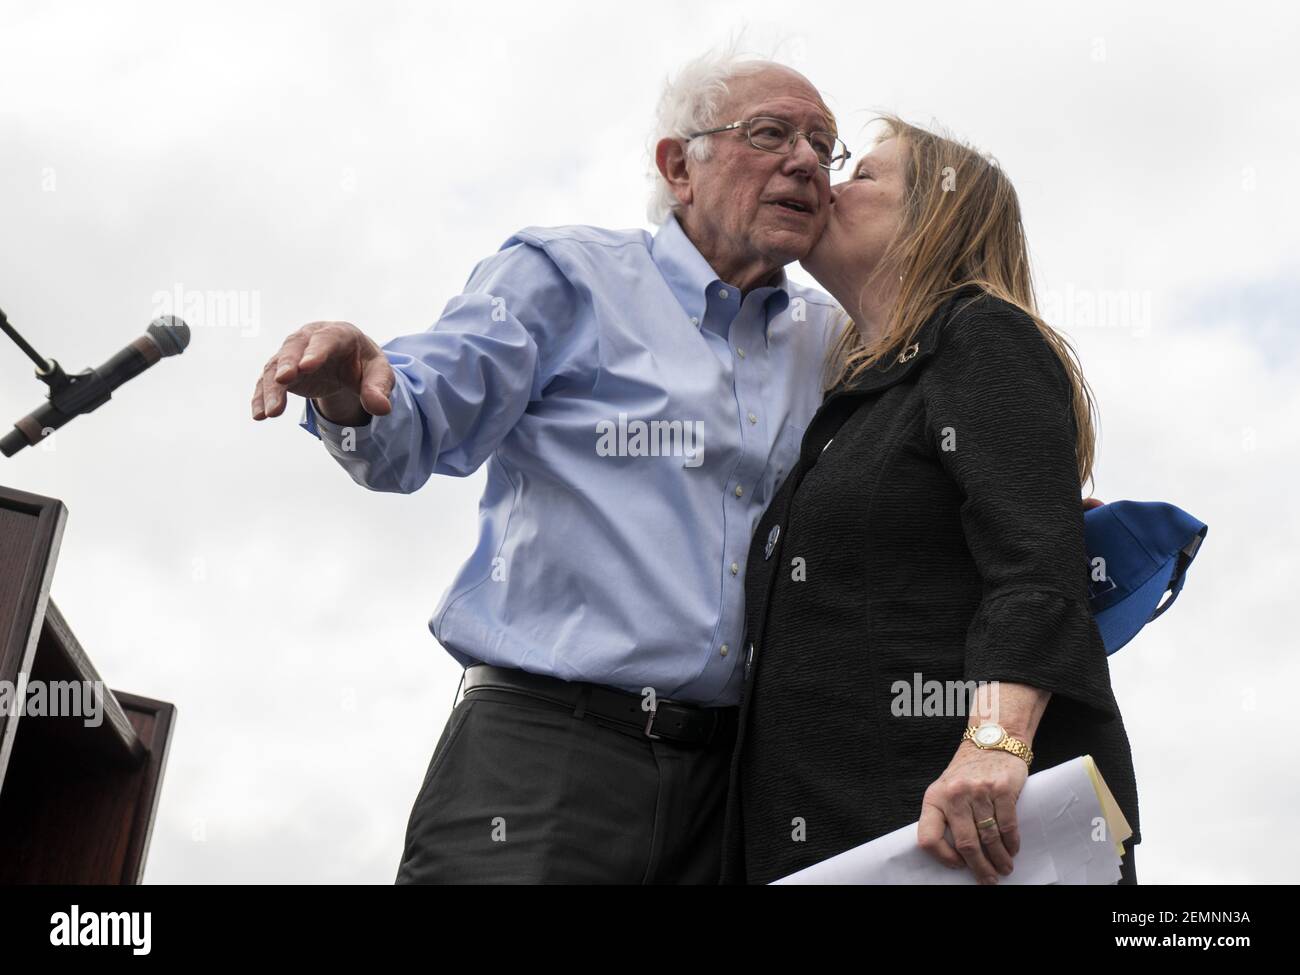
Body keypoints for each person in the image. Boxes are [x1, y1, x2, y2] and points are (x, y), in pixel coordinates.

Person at [250, 51, 851, 883]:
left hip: (735, 793)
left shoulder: (834, 343)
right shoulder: (568, 276)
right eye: (771, 133)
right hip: (543, 762)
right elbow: (420, 413)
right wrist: (352, 393)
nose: (807, 161)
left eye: (825, 143)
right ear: (680, 165)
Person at [720, 116, 1141, 886]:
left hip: (960, 841)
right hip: (832, 845)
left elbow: (1034, 569)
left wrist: (996, 741)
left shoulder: (981, 335)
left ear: (939, 215)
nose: (826, 182)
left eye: (864, 175)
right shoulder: (852, 404)